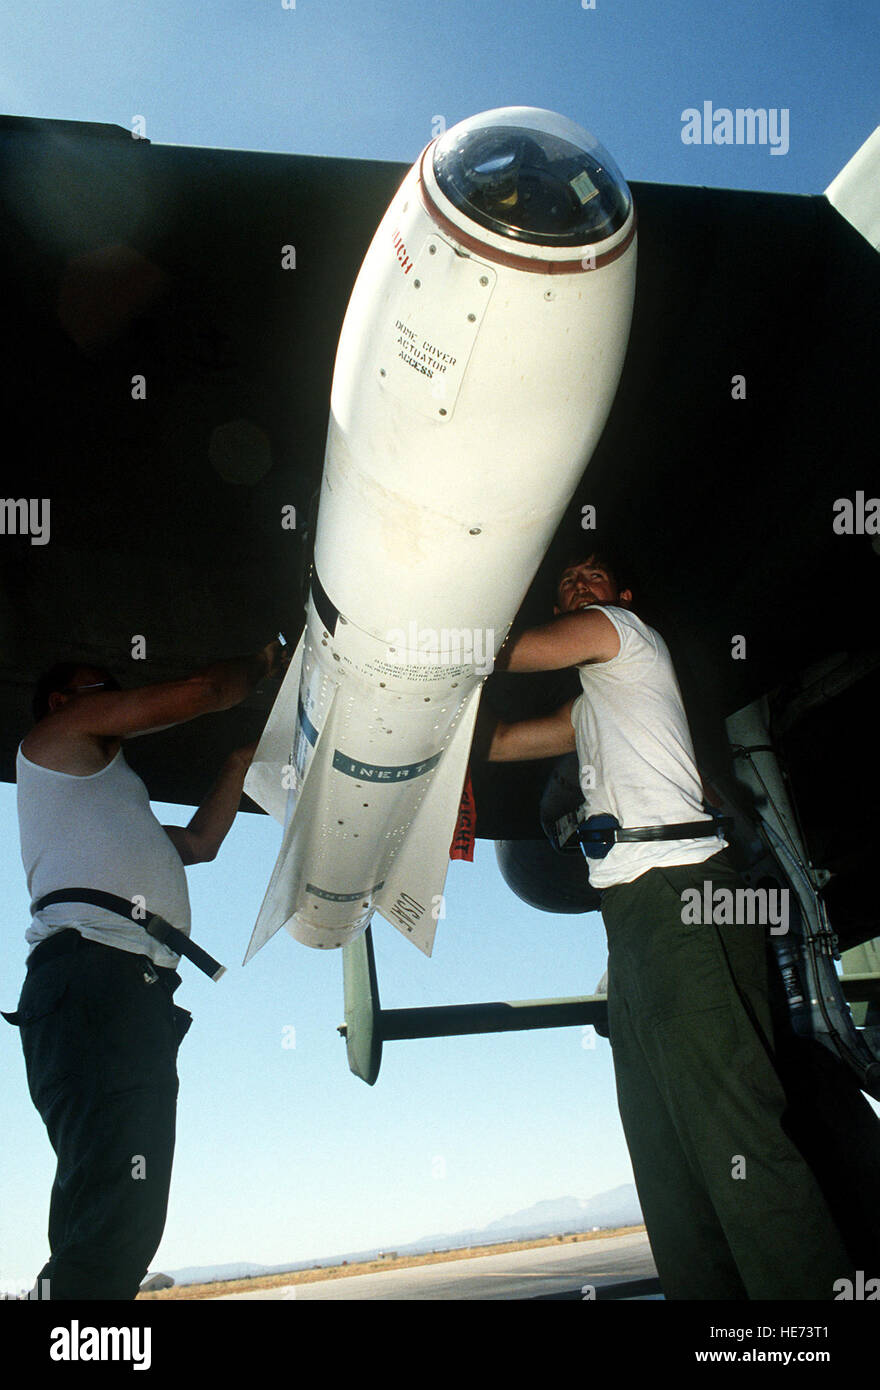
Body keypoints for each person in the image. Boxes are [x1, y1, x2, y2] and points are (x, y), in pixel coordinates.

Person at [481, 547, 855, 1299]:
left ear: (619, 596)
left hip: (683, 896)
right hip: (630, 920)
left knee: (736, 1138)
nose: (576, 586)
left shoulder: (624, 633)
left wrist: (414, 640)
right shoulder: (592, 708)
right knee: (667, 1163)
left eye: (590, 576)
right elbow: (495, 747)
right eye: (566, 586)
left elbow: (507, 651)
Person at [3, 641, 284, 1300]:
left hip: (115, 991)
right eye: (99, 685)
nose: (113, 693)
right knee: (122, 1205)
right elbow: (203, 690)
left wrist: (241, 763)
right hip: (98, 979)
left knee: (99, 1191)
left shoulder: (110, 801)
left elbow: (199, 845)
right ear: (61, 704)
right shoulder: (55, 740)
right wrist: (268, 660)